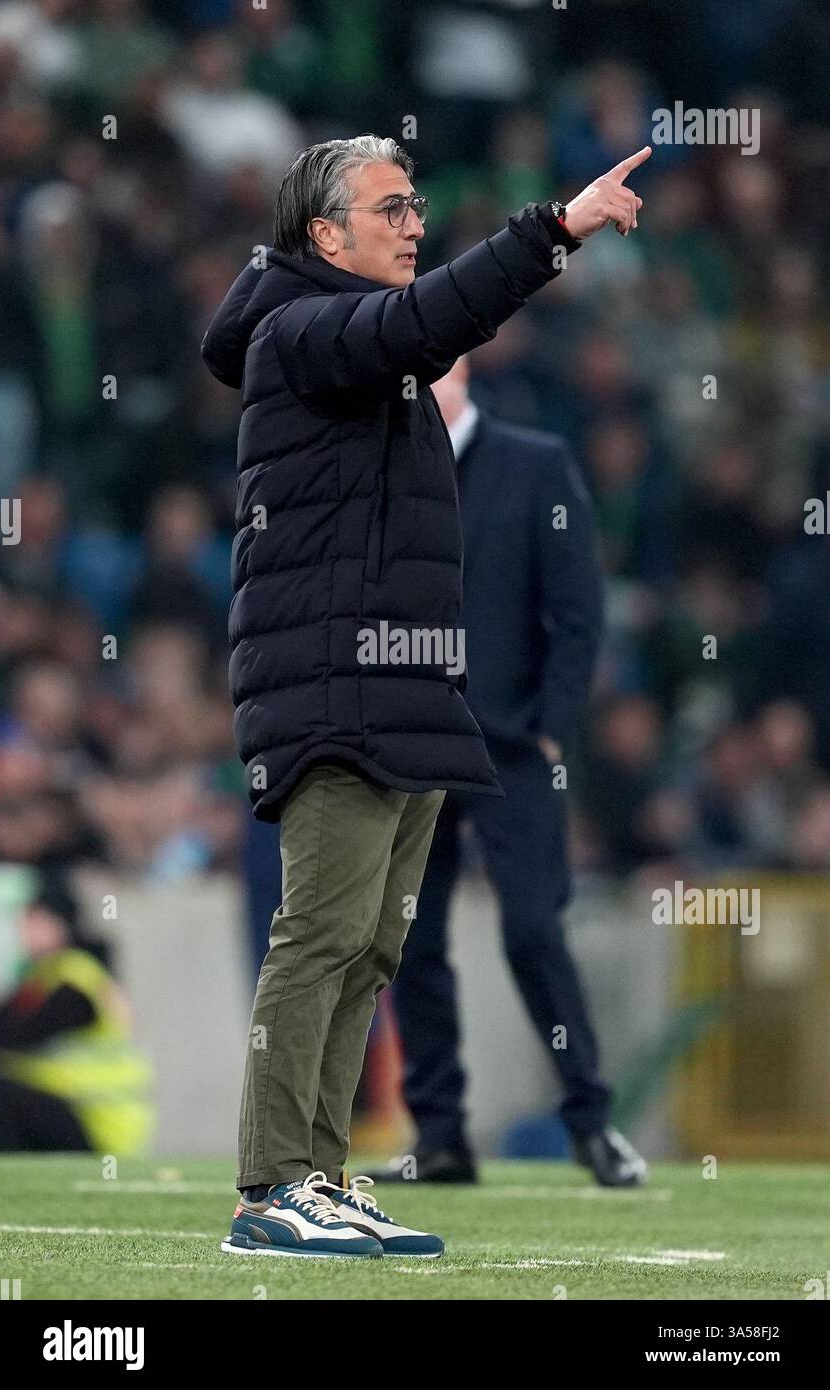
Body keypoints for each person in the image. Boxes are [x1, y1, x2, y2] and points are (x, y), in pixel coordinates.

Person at [202, 133, 650, 1259]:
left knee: (371, 948)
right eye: (391, 207)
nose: (413, 222)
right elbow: (420, 326)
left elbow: (410, 330)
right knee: (319, 935)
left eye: (418, 204)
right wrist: (553, 230)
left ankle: (319, 1169)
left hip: (401, 688)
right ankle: (268, 1187)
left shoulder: (334, 329)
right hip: (331, 684)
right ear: (325, 235)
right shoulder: (302, 331)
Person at [373, 356, 647, 1188]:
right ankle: (441, 1134)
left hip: (511, 746)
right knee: (413, 943)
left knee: (532, 929)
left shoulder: (536, 464)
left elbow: (578, 608)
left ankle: (591, 1121)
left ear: (461, 368)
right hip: (412, 742)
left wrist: (553, 729)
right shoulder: (381, 464)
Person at [0, 874, 155, 1155]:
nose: (21, 929)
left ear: (57, 922)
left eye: (32, 919)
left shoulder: (75, 979)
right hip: (80, 1112)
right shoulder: (48, 975)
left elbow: (16, 1035)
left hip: (97, 1121)